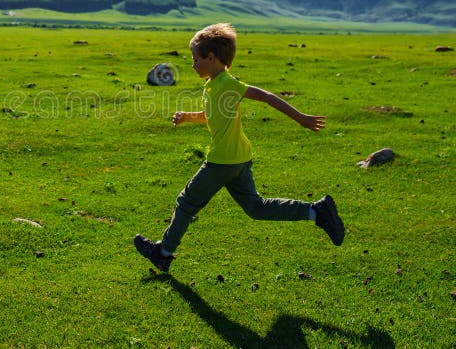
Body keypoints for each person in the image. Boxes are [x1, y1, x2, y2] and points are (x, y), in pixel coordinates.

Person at [134, 23, 344, 272]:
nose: (192, 65)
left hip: (222, 161)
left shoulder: (228, 84)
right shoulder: (213, 84)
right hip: (239, 159)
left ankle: (163, 253)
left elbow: (266, 96)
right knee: (256, 208)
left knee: (187, 203)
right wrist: (188, 117)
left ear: (211, 57)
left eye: (195, 59)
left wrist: (301, 118)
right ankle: (316, 212)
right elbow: (213, 114)